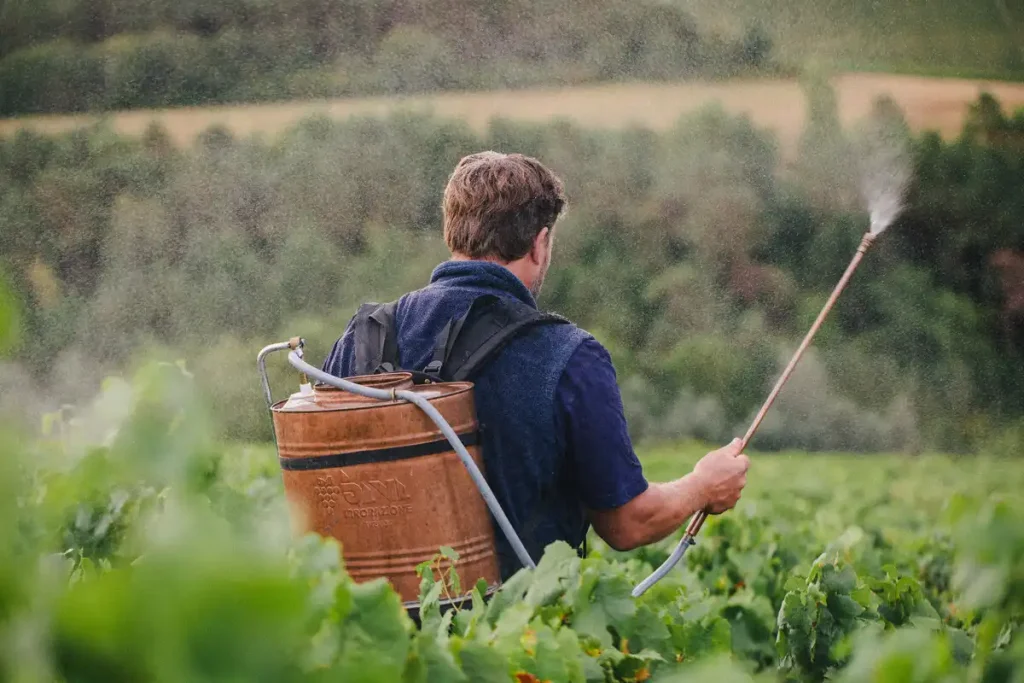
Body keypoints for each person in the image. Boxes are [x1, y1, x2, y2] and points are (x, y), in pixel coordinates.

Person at [322, 151, 750, 580]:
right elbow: (628, 523)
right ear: (539, 243)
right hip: (514, 635)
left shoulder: (363, 337)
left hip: (371, 632)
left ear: (452, 231)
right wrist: (702, 486)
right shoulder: (569, 356)